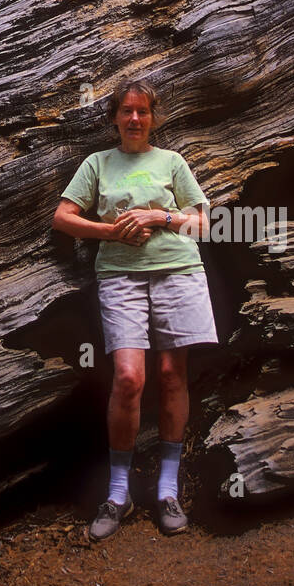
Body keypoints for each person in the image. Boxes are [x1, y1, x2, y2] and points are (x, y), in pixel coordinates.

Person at [52, 78, 218, 540]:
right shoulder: (97, 163)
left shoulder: (172, 161)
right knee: (129, 377)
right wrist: (112, 232)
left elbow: (203, 223)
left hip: (178, 271)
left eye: (143, 111)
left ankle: (166, 489)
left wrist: (157, 217)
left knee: (171, 374)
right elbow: (63, 218)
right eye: (126, 111)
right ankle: (118, 492)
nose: (135, 119)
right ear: (114, 118)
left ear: (153, 117)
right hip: (120, 276)